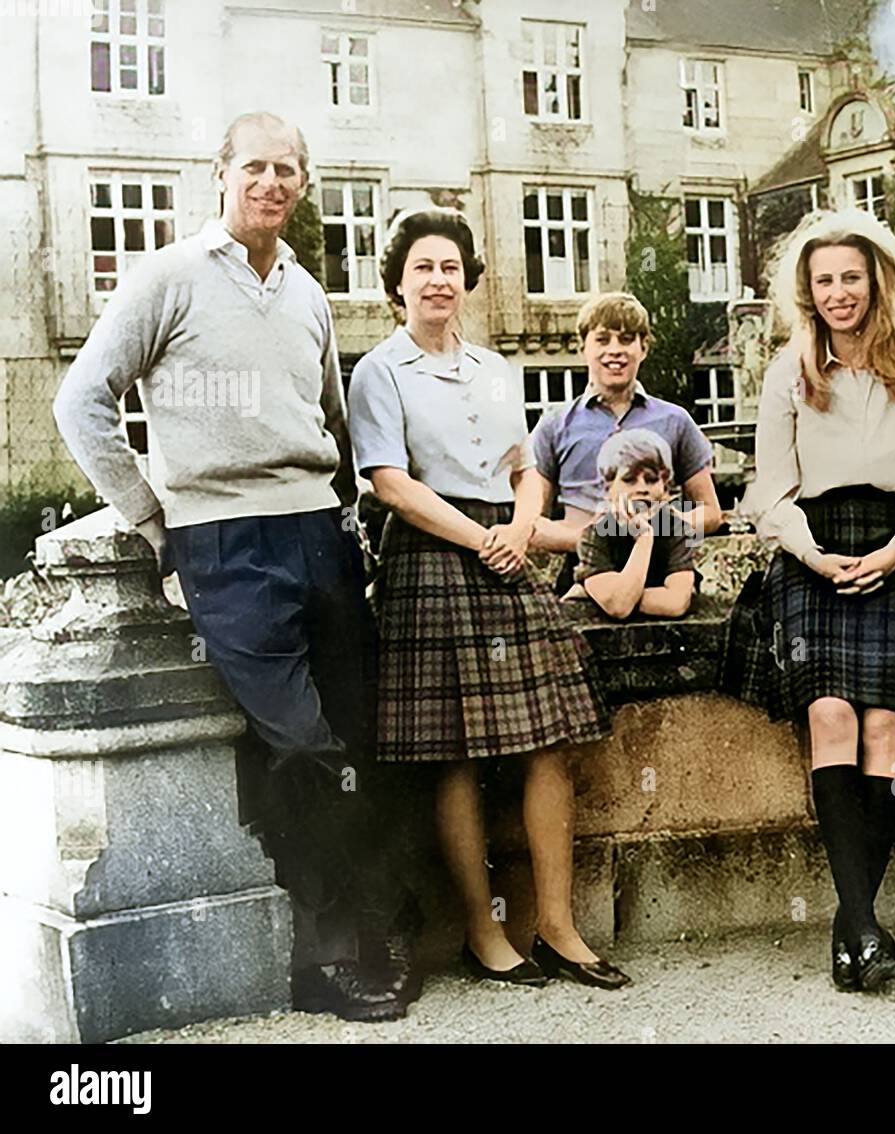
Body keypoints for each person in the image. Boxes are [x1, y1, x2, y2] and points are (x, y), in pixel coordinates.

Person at [52, 112, 410, 1022]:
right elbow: (82, 400)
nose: (272, 183)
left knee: (362, 734)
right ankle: (326, 954)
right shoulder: (169, 276)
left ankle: (380, 923)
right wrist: (148, 518)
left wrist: (343, 516)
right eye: (255, 166)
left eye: (288, 170)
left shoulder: (305, 291)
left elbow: (329, 419)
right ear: (220, 175)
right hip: (222, 542)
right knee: (298, 743)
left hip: (316, 533)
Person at [347, 208, 630, 990]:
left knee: (551, 739)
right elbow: (391, 483)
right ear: (398, 284)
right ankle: (482, 930)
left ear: (468, 278)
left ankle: (557, 927)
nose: (438, 281)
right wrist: (484, 540)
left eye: (450, 267)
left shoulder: (493, 368)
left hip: (505, 551)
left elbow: (524, 466)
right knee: (456, 754)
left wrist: (523, 522)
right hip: (434, 559)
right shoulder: (380, 371)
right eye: (421, 269)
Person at [741, 208, 895, 992]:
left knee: (885, 724)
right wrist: (815, 554)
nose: (838, 292)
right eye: (823, 280)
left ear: (877, 282)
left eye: (851, 277)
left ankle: (852, 925)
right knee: (832, 715)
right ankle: (865, 924)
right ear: (807, 290)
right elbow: (768, 490)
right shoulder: (788, 372)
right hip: (813, 549)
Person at [528, 292, 723, 589]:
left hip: (663, 573)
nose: (615, 351)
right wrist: (596, 540)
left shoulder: (676, 421)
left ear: (643, 348)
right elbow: (531, 523)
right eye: (603, 340)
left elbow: (711, 513)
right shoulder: (555, 425)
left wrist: (657, 530)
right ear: (583, 347)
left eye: (627, 339)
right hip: (583, 575)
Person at [570, 428, 698, 619]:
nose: (642, 489)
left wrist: (617, 595)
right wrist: (644, 540)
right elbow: (619, 606)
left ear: (664, 486)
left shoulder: (677, 528)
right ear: (608, 488)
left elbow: (675, 603)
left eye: (651, 480)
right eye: (629, 480)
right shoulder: (596, 533)